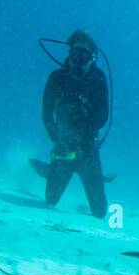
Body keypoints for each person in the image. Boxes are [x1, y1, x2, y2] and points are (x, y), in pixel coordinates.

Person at [35, 30, 110, 217]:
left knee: (100, 212)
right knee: (51, 200)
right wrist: (56, 139)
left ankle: (84, 175)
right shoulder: (57, 78)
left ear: (92, 56)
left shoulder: (98, 79)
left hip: (88, 149)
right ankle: (52, 171)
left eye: (84, 53)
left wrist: (85, 120)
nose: (79, 57)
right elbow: (46, 114)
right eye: (76, 51)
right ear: (70, 52)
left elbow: (103, 117)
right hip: (64, 148)